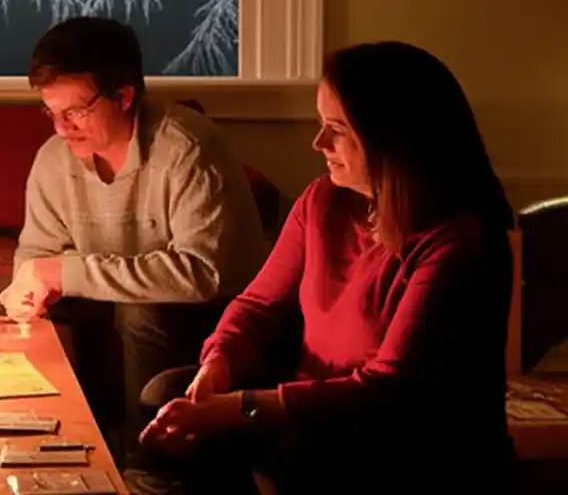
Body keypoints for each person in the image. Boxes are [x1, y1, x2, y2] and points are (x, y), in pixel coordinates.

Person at [134, 41, 516, 495]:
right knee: (170, 392)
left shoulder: (456, 237)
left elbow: (385, 387)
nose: (319, 143)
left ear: (390, 138)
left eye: (336, 129)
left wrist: (240, 409)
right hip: (310, 404)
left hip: (399, 433)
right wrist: (218, 365)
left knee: (289, 449)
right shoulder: (323, 201)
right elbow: (258, 305)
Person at [0, 16, 267, 475]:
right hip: (116, 305)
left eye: (76, 112)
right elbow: (37, 254)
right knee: (54, 314)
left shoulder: (186, 148)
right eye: (52, 113)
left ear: (124, 97)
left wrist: (64, 272)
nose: (63, 129)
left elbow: (199, 273)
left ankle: (147, 470)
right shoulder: (54, 161)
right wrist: (25, 290)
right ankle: (63, 454)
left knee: (141, 313)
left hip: (208, 312)